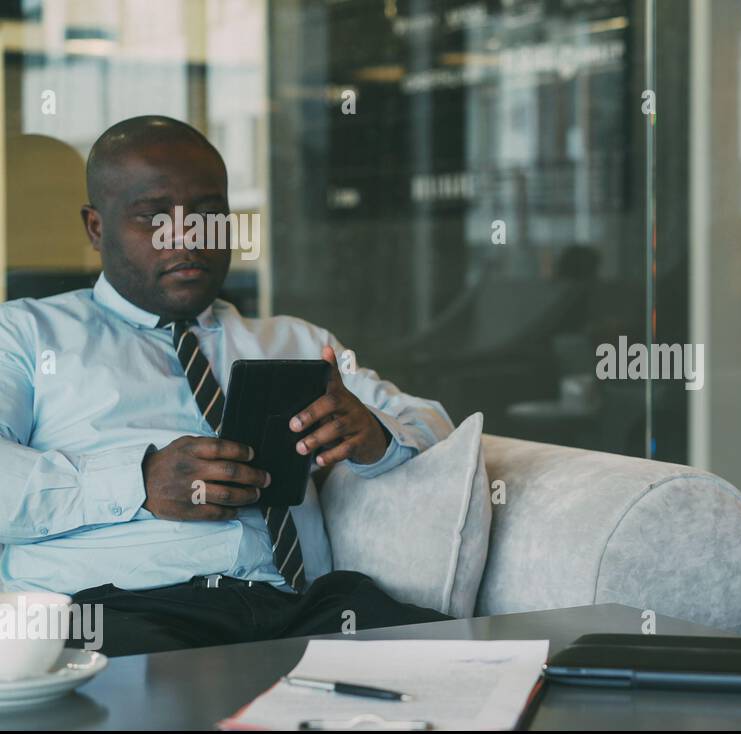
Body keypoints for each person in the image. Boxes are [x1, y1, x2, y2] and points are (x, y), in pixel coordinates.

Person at [0, 115, 455, 656]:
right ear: (96, 228)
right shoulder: (27, 335)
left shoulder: (297, 342)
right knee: (162, 697)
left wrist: (373, 435)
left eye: (209, 215)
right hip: (116, 609)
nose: (188, 237)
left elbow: (432, 426)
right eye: (153, 216)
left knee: (456, 659)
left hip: (297, 607)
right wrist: (137, 483)